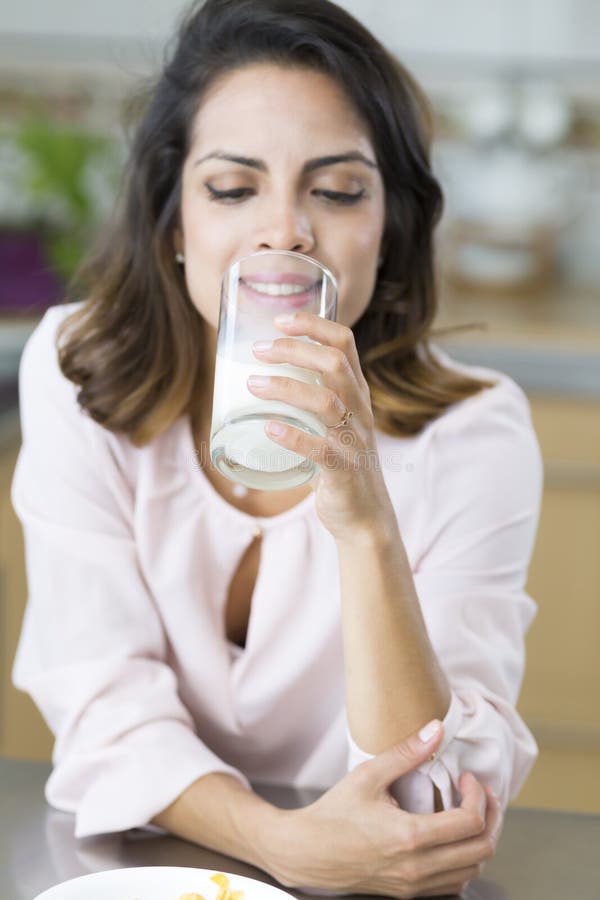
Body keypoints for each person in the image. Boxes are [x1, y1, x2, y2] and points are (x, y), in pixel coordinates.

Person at [11, 0, 542, 896]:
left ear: (390, 231)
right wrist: (279, 843)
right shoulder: (78, 372)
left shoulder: (474, 434)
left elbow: (428, 799)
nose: (287, 230)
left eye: (336, 191)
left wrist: (366, 519)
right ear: (177, 225)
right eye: (232, 187)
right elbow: (103, 706)